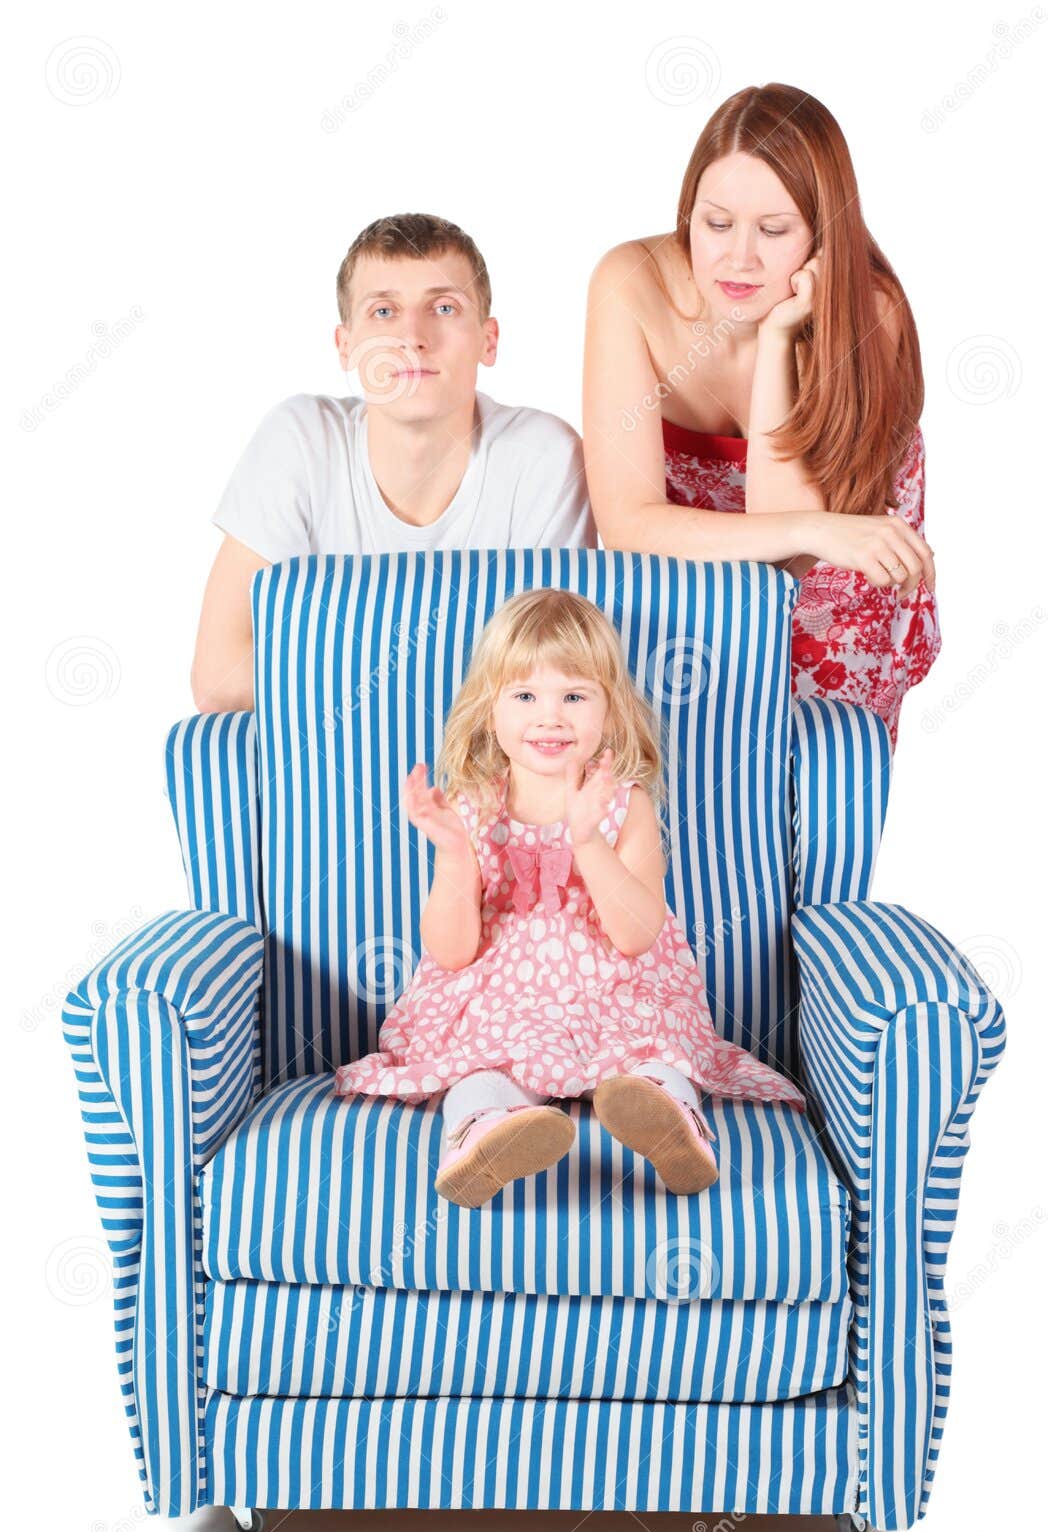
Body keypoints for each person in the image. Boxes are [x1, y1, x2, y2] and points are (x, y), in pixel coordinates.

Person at [333, 587, 806, 1208]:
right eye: (525, 696)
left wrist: (587, 838)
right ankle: (486, 1136)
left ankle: (669, 1121)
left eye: (574, 696)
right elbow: (450, 953)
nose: (550, 717)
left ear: (609, 711)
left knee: (656, 1052)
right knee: (480, 1071)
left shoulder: (624, 803)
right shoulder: (475, 804)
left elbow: (637, 935)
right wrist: (452, 851)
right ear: (490, 712)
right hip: (504, 998)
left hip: (614, 993)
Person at [582, 83, 939, 749]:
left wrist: (778, 340)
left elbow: (795, 562)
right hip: (698, 572)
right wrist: (812, 527)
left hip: (836, 576)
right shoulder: (629, 285)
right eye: (715, 224)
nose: (738, 258)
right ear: (687, 213)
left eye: (773, 232)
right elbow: (628, 527)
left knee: (825, 782)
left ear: (821, 234)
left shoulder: (873, 313)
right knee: (687, 782)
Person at [192, 213, 596, 712]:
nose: (413, 337)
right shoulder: (299, 440)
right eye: (383, 312)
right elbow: (218, 677)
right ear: (346, 346)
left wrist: (335, 675)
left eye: (444, 307)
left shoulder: (544, 456)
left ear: (488, 340)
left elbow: (561, 680)